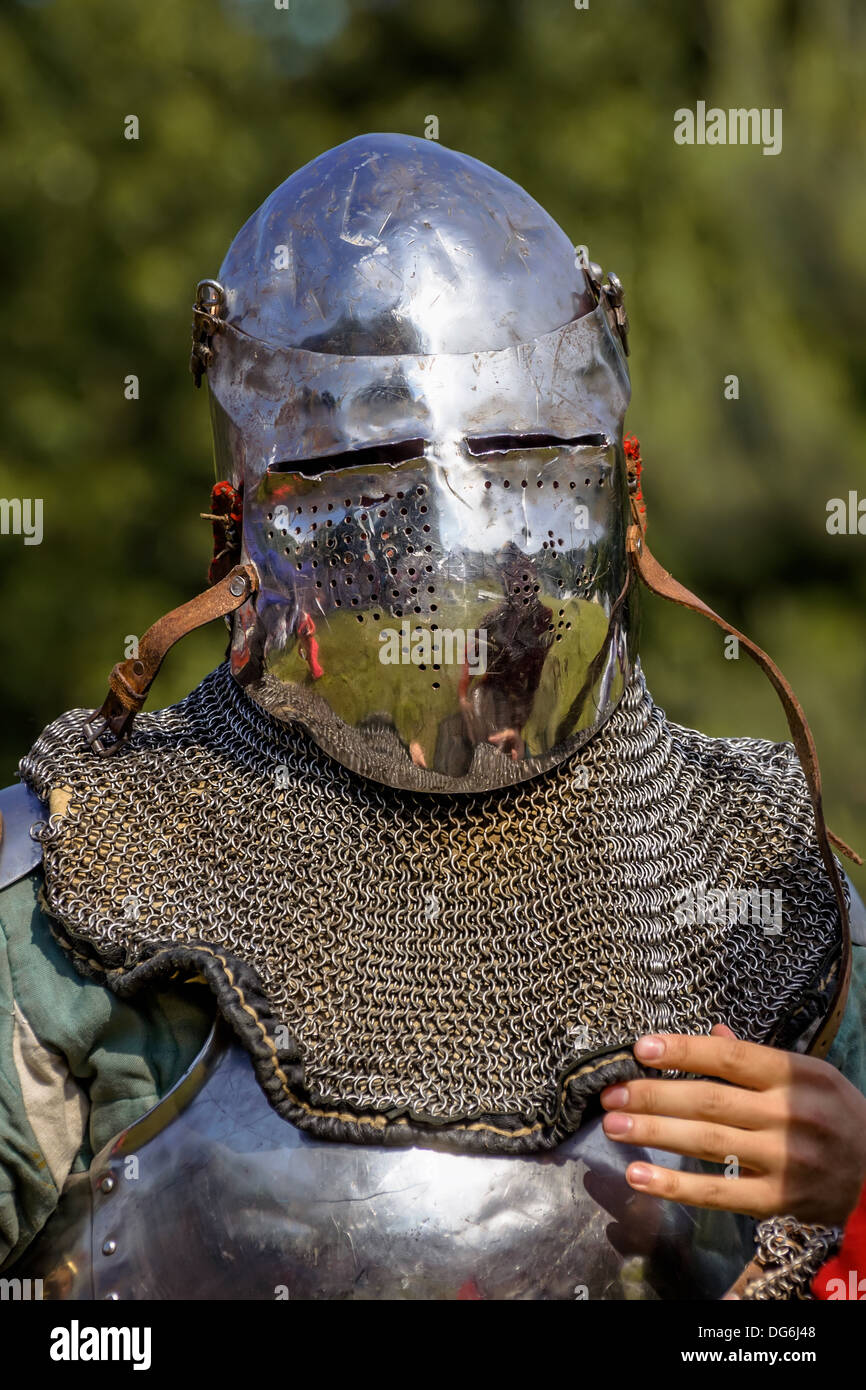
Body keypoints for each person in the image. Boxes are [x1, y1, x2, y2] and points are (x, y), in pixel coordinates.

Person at [2, 133, 865, 1301]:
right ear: (239, 527)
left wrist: (857, 1193)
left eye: (527, 477)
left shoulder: (762, 880)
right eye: (377, 491)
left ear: (621, 492)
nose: (465, 549)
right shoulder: (83, 877)